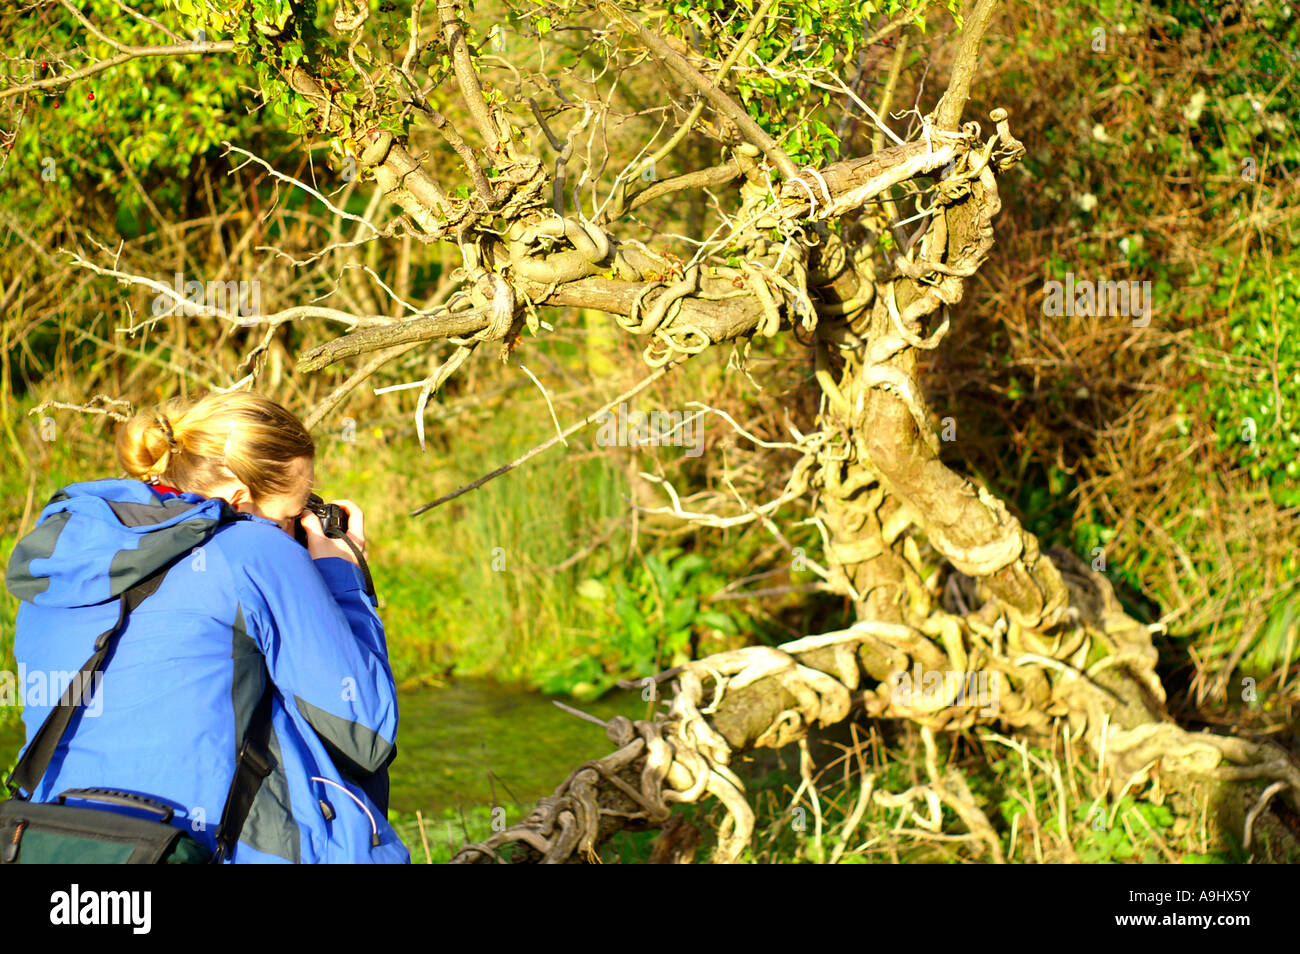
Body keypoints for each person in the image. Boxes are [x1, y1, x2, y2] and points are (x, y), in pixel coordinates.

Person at [4, 390, 409, 863]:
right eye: (289, 515)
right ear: (240, 497)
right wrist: (344, 577)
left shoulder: (62, 555)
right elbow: (368, 735)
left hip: (58, 845)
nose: (295, 531)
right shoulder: (255, 550)